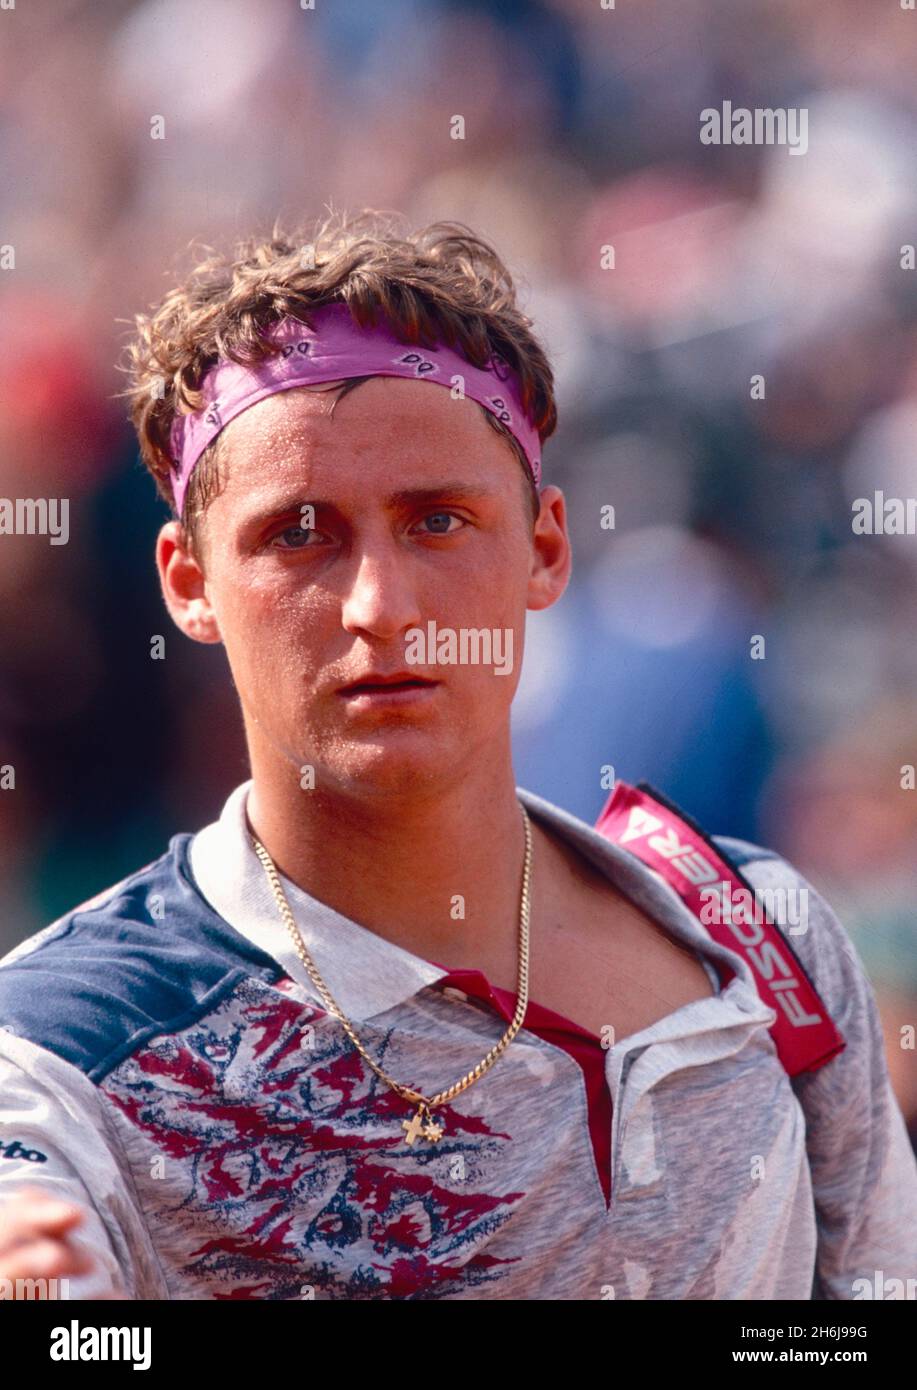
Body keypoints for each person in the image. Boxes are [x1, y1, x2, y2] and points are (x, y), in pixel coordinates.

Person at [0, 211, 914, 1301]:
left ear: (542, 549)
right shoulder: (64, 1049)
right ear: (188, 583)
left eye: (437, 522)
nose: (380, 608)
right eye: (298, 533)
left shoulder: (760, 940)